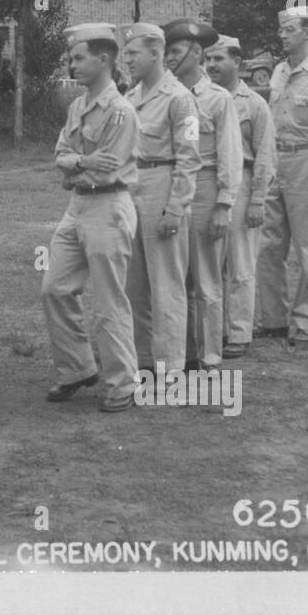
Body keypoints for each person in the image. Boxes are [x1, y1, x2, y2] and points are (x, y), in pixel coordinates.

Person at [39, 23, 139, 412]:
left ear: (104, 59)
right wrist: (81, 161)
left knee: (108, 302)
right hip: (77, 207)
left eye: (79, 58)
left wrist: (74, 167)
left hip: (109, 206)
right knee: (55, 289)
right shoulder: (76, 107)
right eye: (71, 58)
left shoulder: (121, 111)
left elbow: (107, 169)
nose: (72, 64)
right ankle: (78, 368)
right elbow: (60, 156)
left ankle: (124, 383)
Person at [254, 7, 308, 346]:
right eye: (281, 31)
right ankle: (274, 319)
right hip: (276, 161)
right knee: (269, 245)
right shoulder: (277, 71)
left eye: (290, 30)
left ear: (307, 33)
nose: (283, 35)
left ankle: (306, 321)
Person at [120, 23, 201, 376]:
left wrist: (176, 207)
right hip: (131, 187)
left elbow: (190, 156)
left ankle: (170, 367)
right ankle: (143, 361)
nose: (127, 60)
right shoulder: (129, 98)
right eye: (125, 54)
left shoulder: (180, 98)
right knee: (133, 284)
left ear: (155, 53)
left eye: (132, 53)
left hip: (162, 185)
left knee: (166, 284)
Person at [163, 18, 242, 371]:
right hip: (172, 189)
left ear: (196, 54)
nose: (169, 59)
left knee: (207, 279)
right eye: (166, 52)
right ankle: (185, 351)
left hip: (207, 189)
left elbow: (229, 154)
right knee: (176, 278)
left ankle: (210, 355)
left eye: (176, 52)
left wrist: (225, 203)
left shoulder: (218, 99)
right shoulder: (163, 96)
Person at [205, 35, 276, 360]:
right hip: (210, 182)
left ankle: (239, 332)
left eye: (219, 59)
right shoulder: (202, 99)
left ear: (238, 62)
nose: (212, 65)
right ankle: (212, 330)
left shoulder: (254, 104)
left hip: (244, 182)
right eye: (208, 59)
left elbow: (264, 155)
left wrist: (258, 199)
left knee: (241, 263)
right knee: (209, 264)